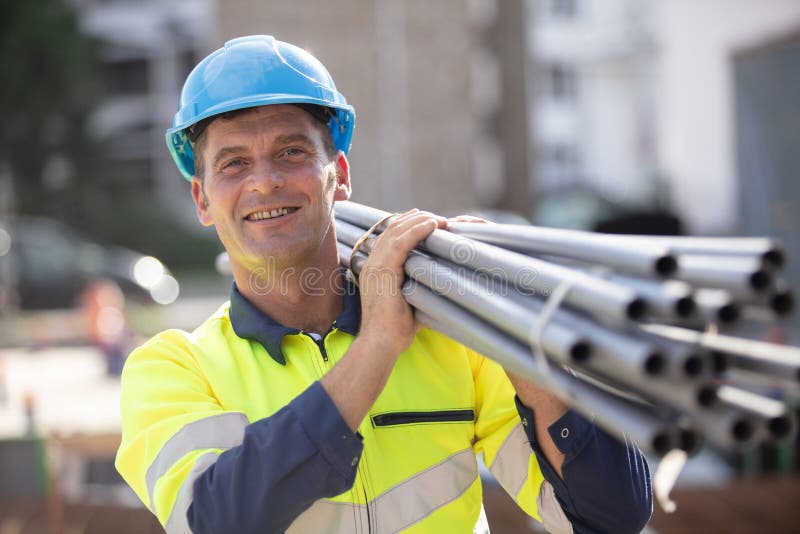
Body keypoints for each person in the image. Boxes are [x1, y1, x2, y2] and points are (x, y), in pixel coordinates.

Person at [115, 35, 652, 534]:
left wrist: (512, 329)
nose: (264, 180)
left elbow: (611, 517)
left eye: (292, 152)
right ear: (202, 200)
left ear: (340, 175)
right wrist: (377, 344)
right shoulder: (172, 371)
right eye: (233, 163)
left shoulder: (453, 339)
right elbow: (213, 521)